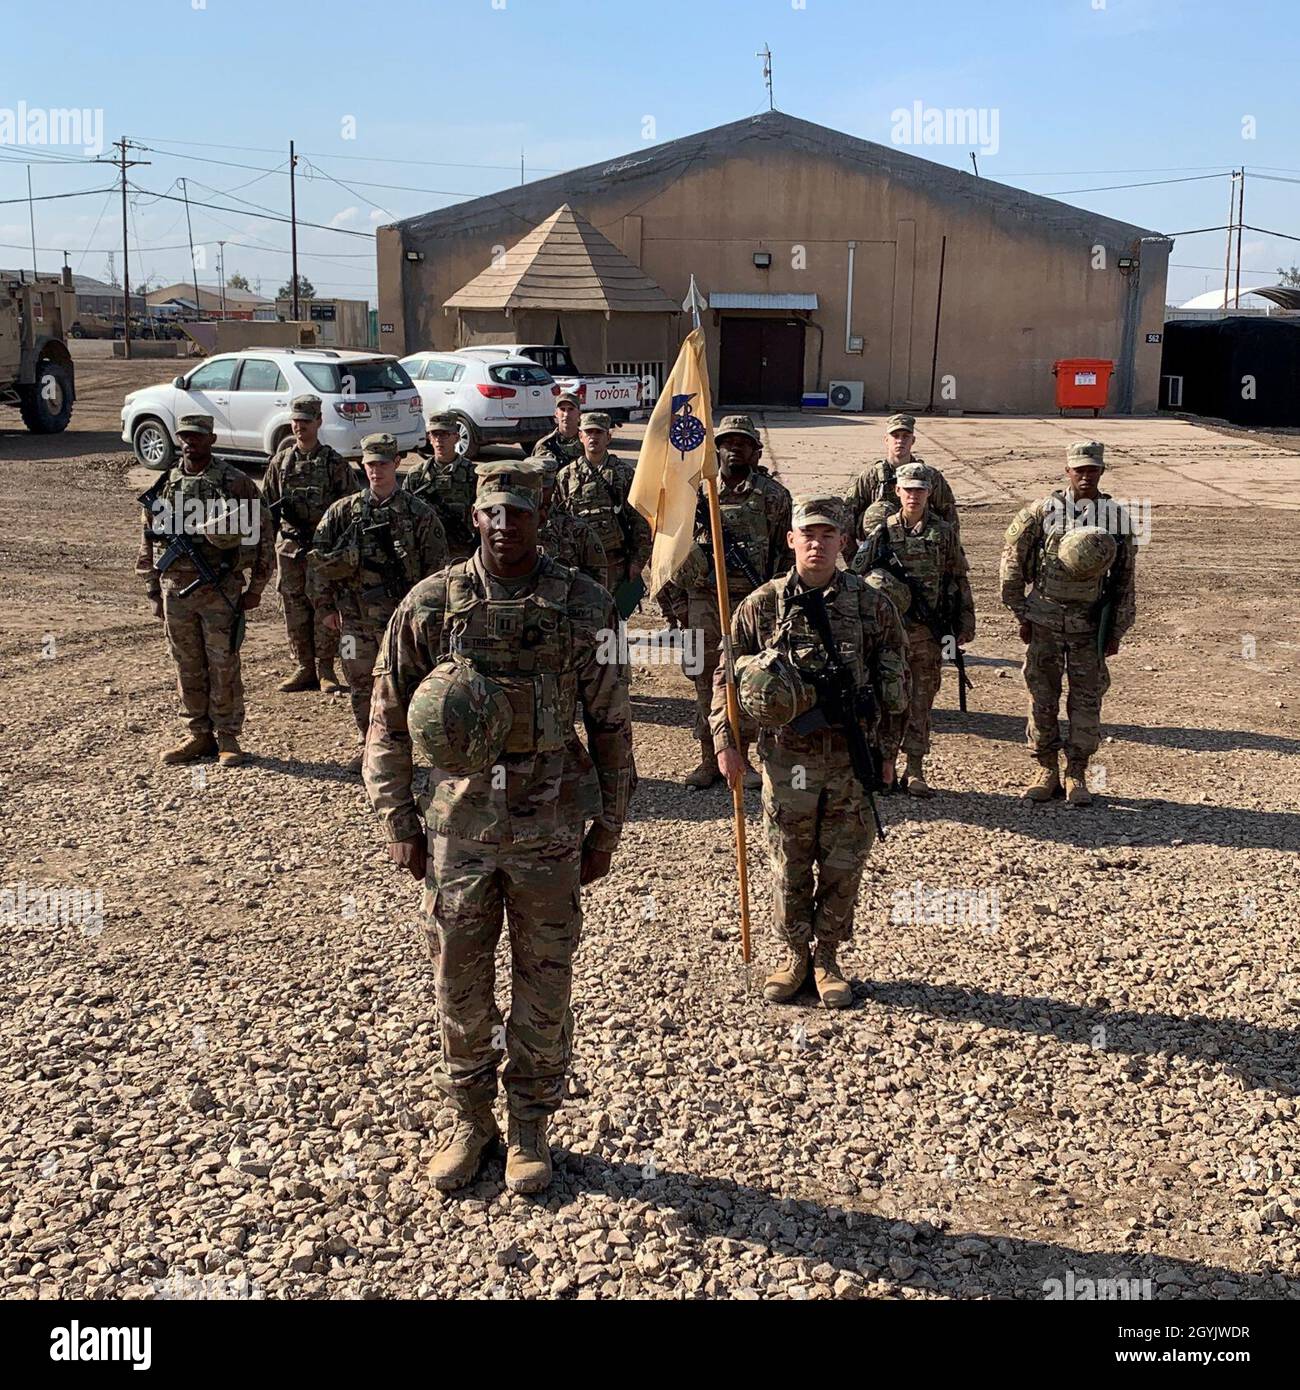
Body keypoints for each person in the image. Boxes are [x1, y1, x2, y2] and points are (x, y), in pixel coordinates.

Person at [363, 460, 633, 1193]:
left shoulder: (583, 605)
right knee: (459, 983)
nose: (506, 525)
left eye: (520, 513)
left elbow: (611, 724)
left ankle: (530, 1127)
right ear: (474, 517)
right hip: (458, 831)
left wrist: (608, 827)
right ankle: (470, 1120)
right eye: (494, 513)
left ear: (541, 518)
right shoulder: (430, 605)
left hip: (549, 830)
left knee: (545, 983)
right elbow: (386, 721)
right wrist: (398, 817)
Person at [712, 496, 908, 1008]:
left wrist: (888, 751)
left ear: (844, 542)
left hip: (850, 757)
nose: (817, 544)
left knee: (844, 862)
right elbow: (725, 677)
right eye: (808, 535)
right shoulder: (761, 604)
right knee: (789, 860)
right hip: (787, 758)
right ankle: (793, 954)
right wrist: (725, 743)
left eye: (828, 535)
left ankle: (828, 958)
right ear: (791, 540)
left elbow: (895, 682)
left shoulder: (871, 605)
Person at [1000, 440, 1137, 806]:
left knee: (1087, 700)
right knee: (1042, 697)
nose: (1086, 475)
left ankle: (1077, 772)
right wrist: (1021, 613)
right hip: (1045, 620)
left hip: (1089, 626)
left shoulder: (1116, 518)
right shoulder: (1041, 512)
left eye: (1093, 469)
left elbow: (1125, 579)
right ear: (1068, 472)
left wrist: (1116, 630)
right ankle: (1045, 769)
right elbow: (1012, 564)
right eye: (1080, 469)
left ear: (1102, 471)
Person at [137, 413, 273, 767]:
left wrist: (257, 586)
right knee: (187, 664)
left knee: (223, 663)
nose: (189, 443)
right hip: (176, 591)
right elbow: (148, 539)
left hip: (219, 589)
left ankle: (228, 736)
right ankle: (198, 735)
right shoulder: (166, 484)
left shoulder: (235, 482)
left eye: (196, 437)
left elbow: (262, 537)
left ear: (211, 440)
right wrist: (153, 588)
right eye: (184, 436)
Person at [310, 432, 447, 772]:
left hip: (401, 621)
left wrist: (428, 617)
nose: (375, 471)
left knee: (405, 685)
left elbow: (437, 571)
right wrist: (326, 608)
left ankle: (404, 751)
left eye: (383, 463)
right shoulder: (343, 512)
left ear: (398, 463)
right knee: (360, 684)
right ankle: (370, 746)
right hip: (353, 618)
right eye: (370, 464)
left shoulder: (419, 514)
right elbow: (317, 562)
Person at [675, 414, 791, 790]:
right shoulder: (696, 494)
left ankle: (744, 758)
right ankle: (709, 759)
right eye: (727, 442)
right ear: (716, 449)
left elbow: (785, 556)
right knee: (705, 680)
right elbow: (670, 554)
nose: (734, 448)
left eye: (742, 442)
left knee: (750, 678)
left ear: (756, 450)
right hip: (703, 602)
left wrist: (777, 604)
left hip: (753, 605)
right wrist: (676, 607)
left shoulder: (774, 497)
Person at [852, 462, 974, 796]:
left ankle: (916, 769)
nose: (914, 496)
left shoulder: (944, 532)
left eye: (920, 490)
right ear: (897, 492)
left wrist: (964, 623)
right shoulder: (882, 532)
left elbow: (958, 578)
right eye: (908, 489)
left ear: (929, 493)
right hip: (889, 635)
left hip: (928, 631)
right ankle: (885, 764)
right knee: (888, 698)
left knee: (921, 700)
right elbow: (856, 576)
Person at [260, 394, 360, 693]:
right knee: (294, 607)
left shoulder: (334, 464)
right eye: (295, 421)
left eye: (305, 421)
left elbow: (350, 510)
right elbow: (268, 509)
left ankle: (326, 668)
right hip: (290, 550)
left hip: (323, 550)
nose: (299, 427)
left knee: (325, 607)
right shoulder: (280, 462)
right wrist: (263, 550)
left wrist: (341, 553)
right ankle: (303, 666)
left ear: (319, 421)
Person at [553, 411, 650, 596]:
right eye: (588, 432)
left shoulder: (624, 474)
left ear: (608, 437)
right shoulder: (565, 476)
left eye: (598, 433)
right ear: (580, 436)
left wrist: (638, 561)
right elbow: (556, 520)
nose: (593, 437)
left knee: (614, 620)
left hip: (614, 563)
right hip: (577, 565)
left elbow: (641, 521)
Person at [844, 413, 959, 542]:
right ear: (886, 440)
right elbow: (848, 517)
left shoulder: (930, 476)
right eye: (895, 436)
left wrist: (952, 552)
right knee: (877, 511)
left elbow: (949, 513)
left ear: (913, 440)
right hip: (879, 547)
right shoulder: (870, 476)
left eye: (906, 436)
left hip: (921, 547)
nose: (900, 441)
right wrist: (855, 558)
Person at [404, 411, 478, 562]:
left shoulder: (473, 474)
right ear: (429, 438)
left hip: (461, 552)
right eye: (434, 434)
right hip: (426, 555)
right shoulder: (416, 475)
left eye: (444, 434)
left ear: (456, 437)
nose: (439, 440)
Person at [537, 455, 607, 585]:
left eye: (544, 489)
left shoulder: (578, 530)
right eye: (534, 489)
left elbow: (598, 583)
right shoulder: (509, 529)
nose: (539, 494)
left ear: (553, 489)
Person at [530, 390, 584, 469]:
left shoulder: (586, 442)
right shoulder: (544, 445)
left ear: (579, 414)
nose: (566, 414)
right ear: (556, 414)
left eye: (571, 409)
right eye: (562, 409)